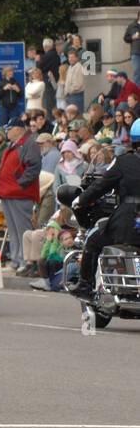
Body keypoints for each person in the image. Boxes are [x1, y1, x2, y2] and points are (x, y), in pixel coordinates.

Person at [72, 119, 140, 297]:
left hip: (129, 220)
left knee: (93, 240)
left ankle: (85, 286)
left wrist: (80, 199)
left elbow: (101, 185)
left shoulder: (125, 162)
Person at [0, 116, 42, 272]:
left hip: (20, 194)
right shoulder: (14, 144)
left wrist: (21, 184)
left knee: (23, 230)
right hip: (9, 193)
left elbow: (34, 167)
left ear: (17, 129)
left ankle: (24, 261)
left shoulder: (29, 144)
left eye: (9, 129)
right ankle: (16, 260)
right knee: (14, 230)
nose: (6, 132)